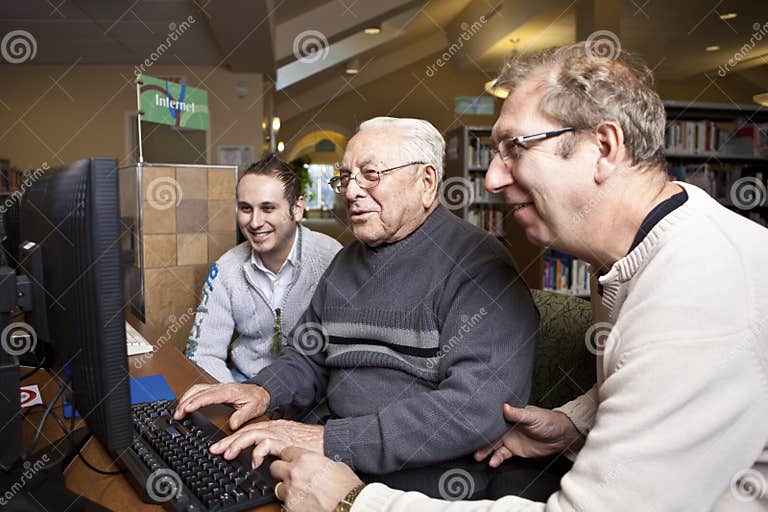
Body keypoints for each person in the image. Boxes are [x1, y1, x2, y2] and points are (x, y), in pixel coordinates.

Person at [253, 42, 768, 511]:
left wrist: (353, 503)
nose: (493, 178)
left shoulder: (697, 298)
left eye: (516, 148)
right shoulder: (625, 259)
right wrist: (574, 423)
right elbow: (655, 381)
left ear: (605, 147)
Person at [175, 117, 539, 497]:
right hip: (337, 454)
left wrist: (331, 440)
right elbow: (309, 356)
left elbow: (473, 408)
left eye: (370, 175)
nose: (351, 191)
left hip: (424, 485)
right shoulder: (346, 262)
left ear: (427, 182)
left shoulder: (480, 266)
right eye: (345, 177)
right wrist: (261, 391)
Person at [185, 154, 342, 383]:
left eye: (268, 208)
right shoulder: (225, 269)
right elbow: (203, 353)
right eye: (246, 208)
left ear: (297, 209)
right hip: (246, 381)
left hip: (314, 389)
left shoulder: (331, 258)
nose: (255, 222)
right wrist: (236, 397)